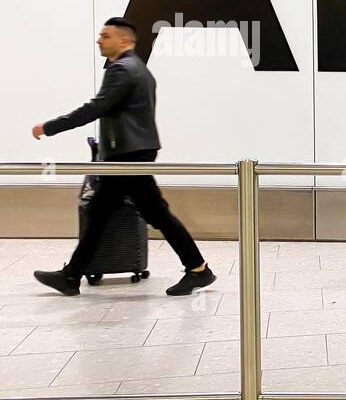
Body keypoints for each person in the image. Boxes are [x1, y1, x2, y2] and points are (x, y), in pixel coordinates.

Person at [30, 18, 215, 297]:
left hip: (128, 154)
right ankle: (71, 275)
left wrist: (50, 126)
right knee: (112, 212)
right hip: (134, 151)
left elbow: (95, 108)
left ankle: (198, 269)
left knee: (143, 213)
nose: (99, 40)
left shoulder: (121, 69)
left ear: (124, 41)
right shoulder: (139, 69)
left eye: (105, 36)